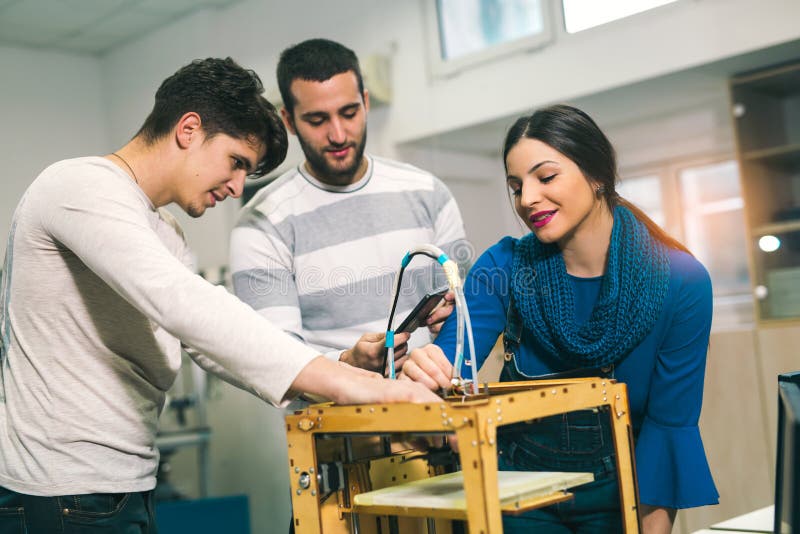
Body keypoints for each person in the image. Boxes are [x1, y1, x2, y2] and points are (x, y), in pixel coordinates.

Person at [0, 57, 439, 534]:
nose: (236, 188)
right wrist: (371, 390)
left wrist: (342, 366)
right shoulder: (77, 185)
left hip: (124, 485)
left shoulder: (164, 230)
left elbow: (209, 346)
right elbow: (184, 303)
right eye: (236, 163)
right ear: (189, 129)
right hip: (56, 492)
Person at [401, 104, 719, 533]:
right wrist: (426, 373)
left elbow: (667, 432)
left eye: (546, 177)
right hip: (510, 495)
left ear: (597, 174)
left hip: (619, 498)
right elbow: (451, 366)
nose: (527, 199)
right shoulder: (503, 267)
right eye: (516, 187)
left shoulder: (681, 282)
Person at [230, 38, 470, 376]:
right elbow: (274, 360)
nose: (339, 135)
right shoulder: (262, 223)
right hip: (334, 411)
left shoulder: (429, 194)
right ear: (289, 120)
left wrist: (451, 320)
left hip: (434, 403)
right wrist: (346, 364)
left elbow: (466, 314)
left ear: (366, 102)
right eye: (317, 120)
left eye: (349, 113)